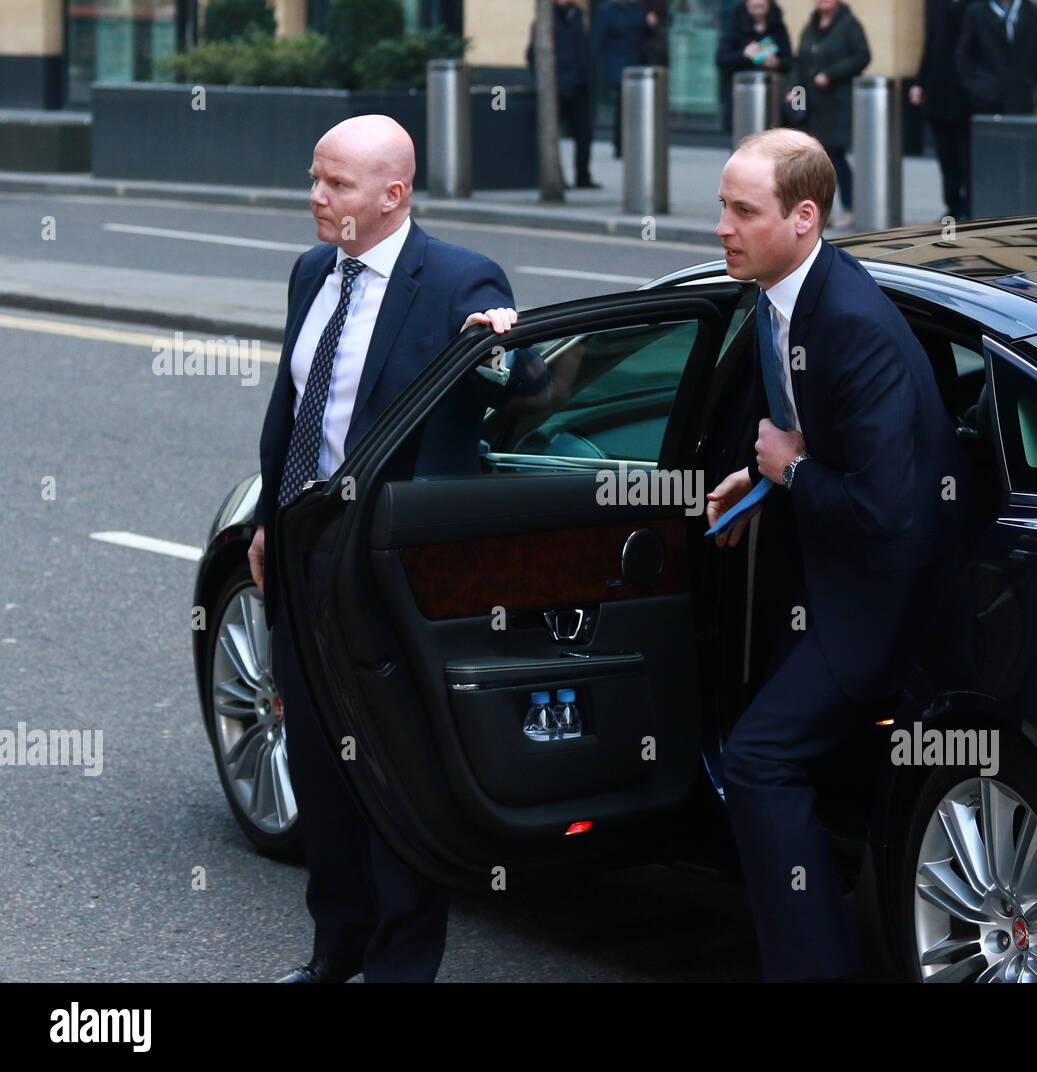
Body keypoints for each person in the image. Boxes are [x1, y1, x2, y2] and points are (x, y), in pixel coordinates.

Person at [249, 114, 519, 983]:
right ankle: (338, 953)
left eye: (336, 184)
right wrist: (267, 522)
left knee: (398, 775)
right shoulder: (309, 273)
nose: (317, 197)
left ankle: (402, 966)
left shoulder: (455, 281)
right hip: (303, 548)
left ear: (392, 195)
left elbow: (518, 398)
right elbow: (297, 411)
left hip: (390, 564)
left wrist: (509, 353)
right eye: (315, 178)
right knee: (322, 769)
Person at [708, 128, 963, 982]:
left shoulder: (851, 323)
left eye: (744, 211)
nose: (723, 228)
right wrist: (757, 479)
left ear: (805, 218)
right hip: (823, 578)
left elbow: (888, 509)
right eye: (723, 207)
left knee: (756, 759)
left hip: (877, 602)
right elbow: (831, 437)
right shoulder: (784, 294)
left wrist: (791, 468)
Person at [788, 0, 870, 230]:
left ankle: (851, 208)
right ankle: (821, 212)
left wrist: (830, 74)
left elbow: (862, 56)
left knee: (835, 159)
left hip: (837, 103)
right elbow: (799, 63)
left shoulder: (849, 24)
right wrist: (794, 88)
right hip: (812, 105)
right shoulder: (810, 27)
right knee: (814, 160)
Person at [911, 0, 981, 221]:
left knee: (966, 156)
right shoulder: (935, 4)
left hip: (967, 92)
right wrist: (919, 82)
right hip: (938, 90)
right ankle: (952, 205)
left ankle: (970, 207)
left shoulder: (975, 6)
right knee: (945, 156)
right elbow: (930, 44)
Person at [527, 0, 599, 188]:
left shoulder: (579, 18)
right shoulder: (544, 22)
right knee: (552, 134)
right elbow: (532, 55)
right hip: (557, 87)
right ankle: (554, 176)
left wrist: (587, 76)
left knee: (584, 136)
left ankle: (583, 177)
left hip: (579, 86)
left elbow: (587, 50)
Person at [955, 0, 1037, 115]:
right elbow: (963, 55)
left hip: (1022, 96)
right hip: (986, 98)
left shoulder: (1031, 11)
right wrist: (977, 86)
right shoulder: (976, 11)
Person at [716, 0, 794, 136]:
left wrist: (776, 63)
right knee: (741, 140)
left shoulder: (778, 27)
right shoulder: (735, 27)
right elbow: (721, 59)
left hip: (772, 95)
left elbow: (789, 62)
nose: (758, 7)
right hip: (740, 96)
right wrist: (744, 54)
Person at [591, 0, 656, 159]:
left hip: (637, 63)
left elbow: (645, 34)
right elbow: (598, 39)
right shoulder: (607, 10)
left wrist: (650, 25)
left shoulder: (637, 8)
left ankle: (635, 143)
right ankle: (620, 145)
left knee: (637, 106)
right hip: (617, 65)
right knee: (622, 107)